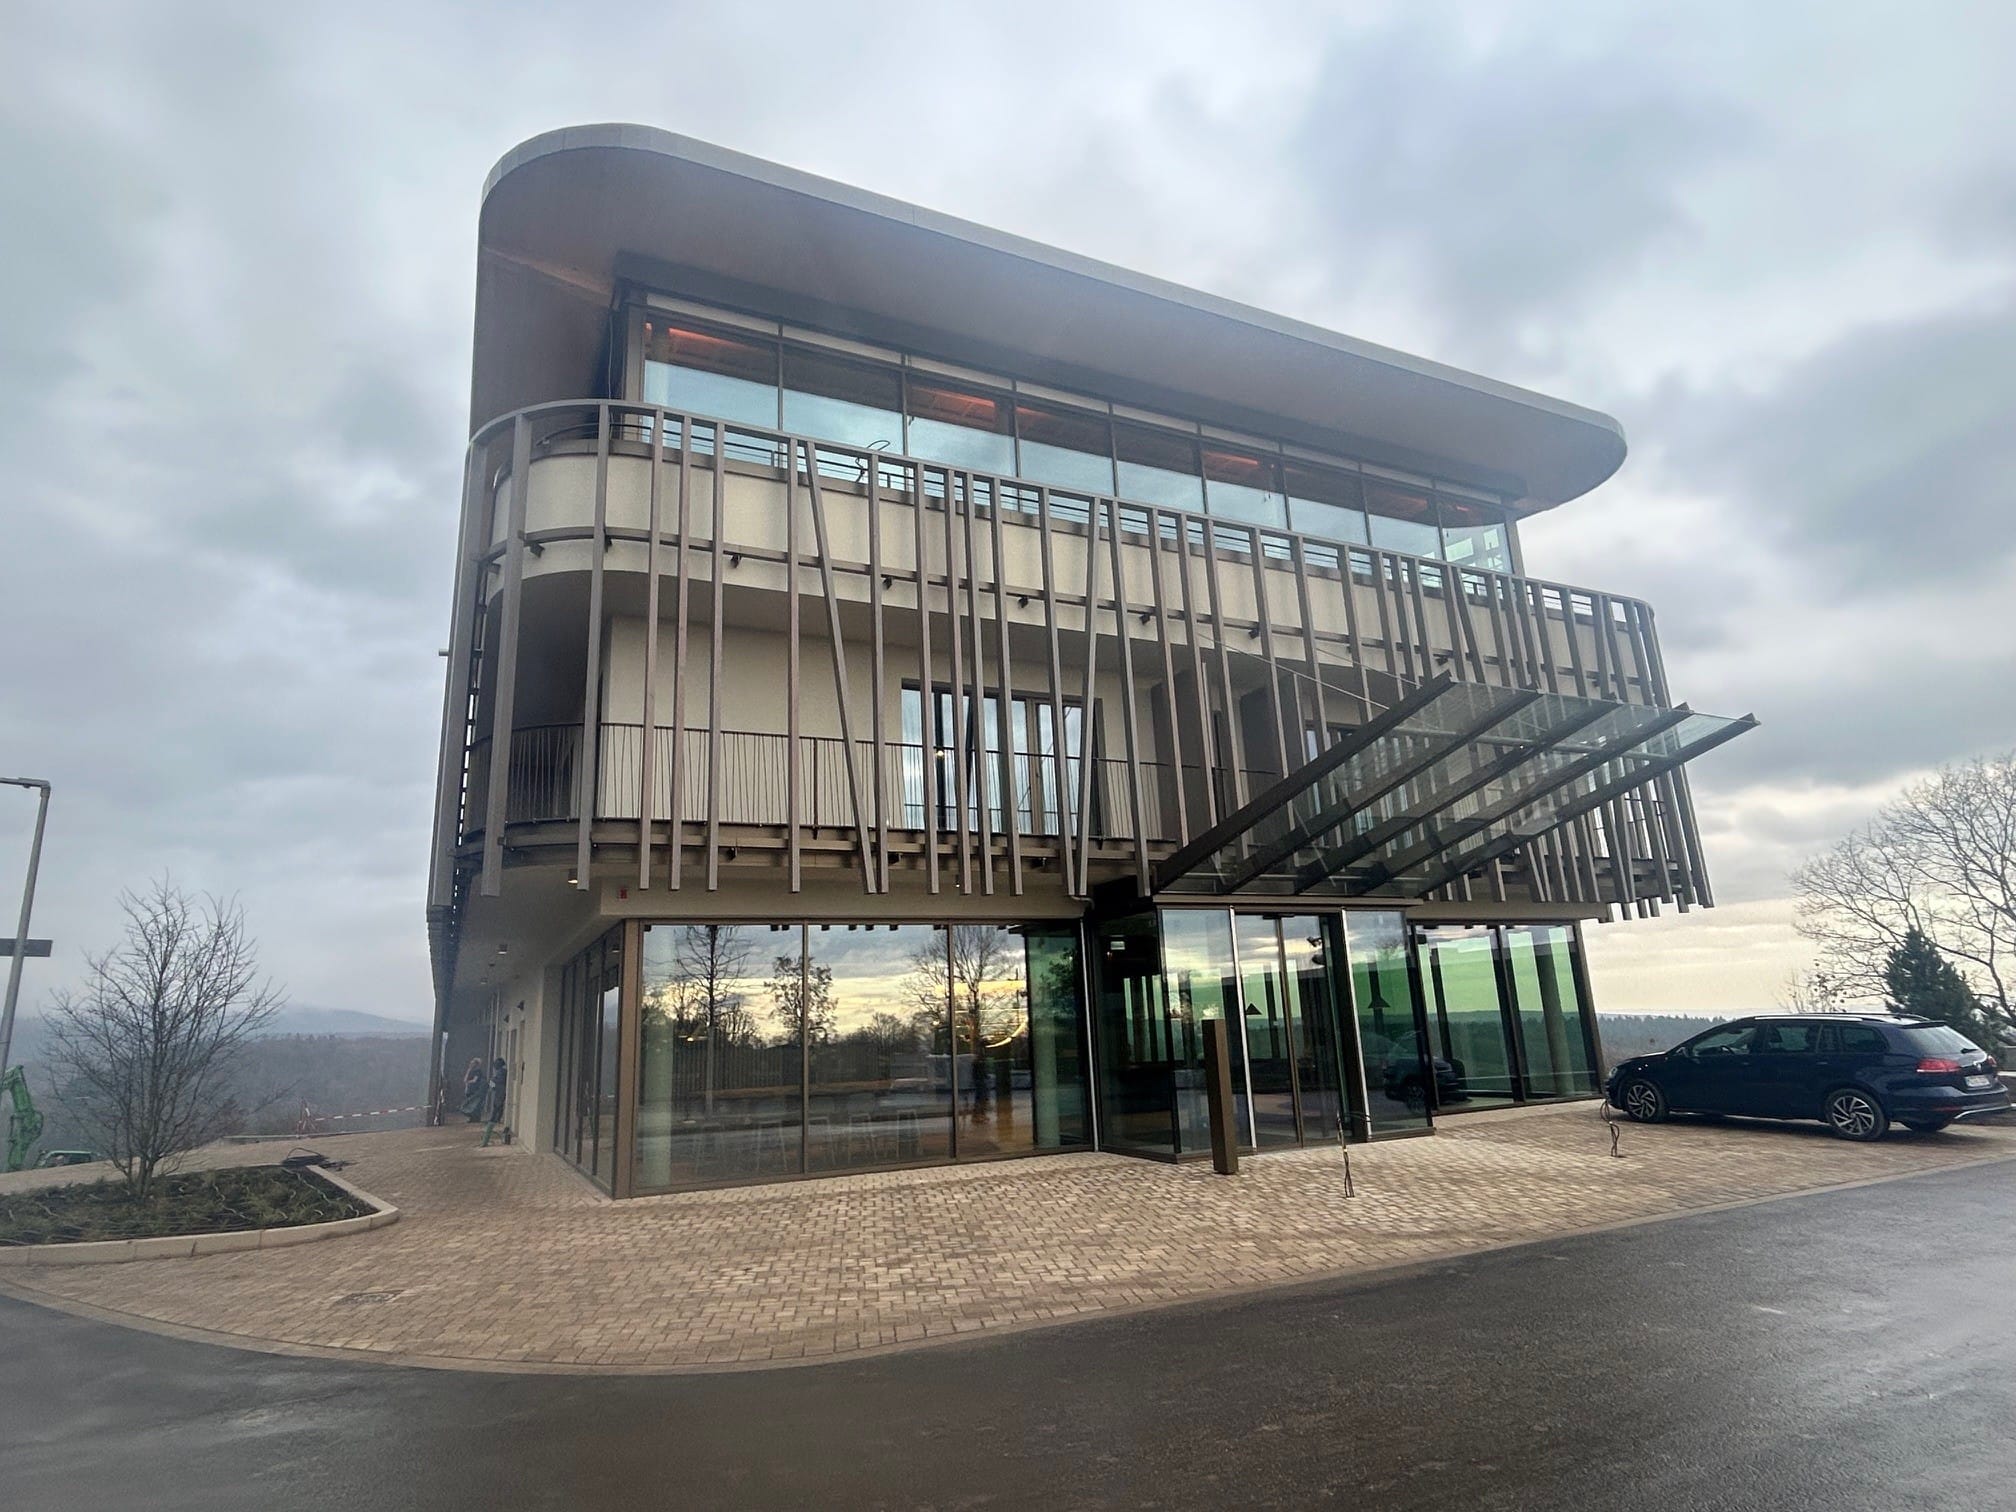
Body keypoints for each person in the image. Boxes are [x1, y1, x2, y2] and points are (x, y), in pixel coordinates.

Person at [460, 1057, 486, 1122]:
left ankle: (476, 1118)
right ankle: (472, 1118)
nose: (470, 1064)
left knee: (475, 1104)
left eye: (472, 1063)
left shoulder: (478, 1071)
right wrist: (469, 1070)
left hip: (474, 1089)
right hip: (470, 1089)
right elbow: (465, 1079)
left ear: (476, 1064)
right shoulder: (471, 1070)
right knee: (471, 1104)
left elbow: (475, 1080)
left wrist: (468, 1082)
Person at [486, 1056, 509, 1124]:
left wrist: (492, 1081)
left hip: (501, 1089)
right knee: (498, 1105)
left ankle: (494, 1119)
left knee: (497, 1105)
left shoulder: (501, 1071)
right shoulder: (501, 1071)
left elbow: (500, 1081)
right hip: (499, 1089)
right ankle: (495, 1118)